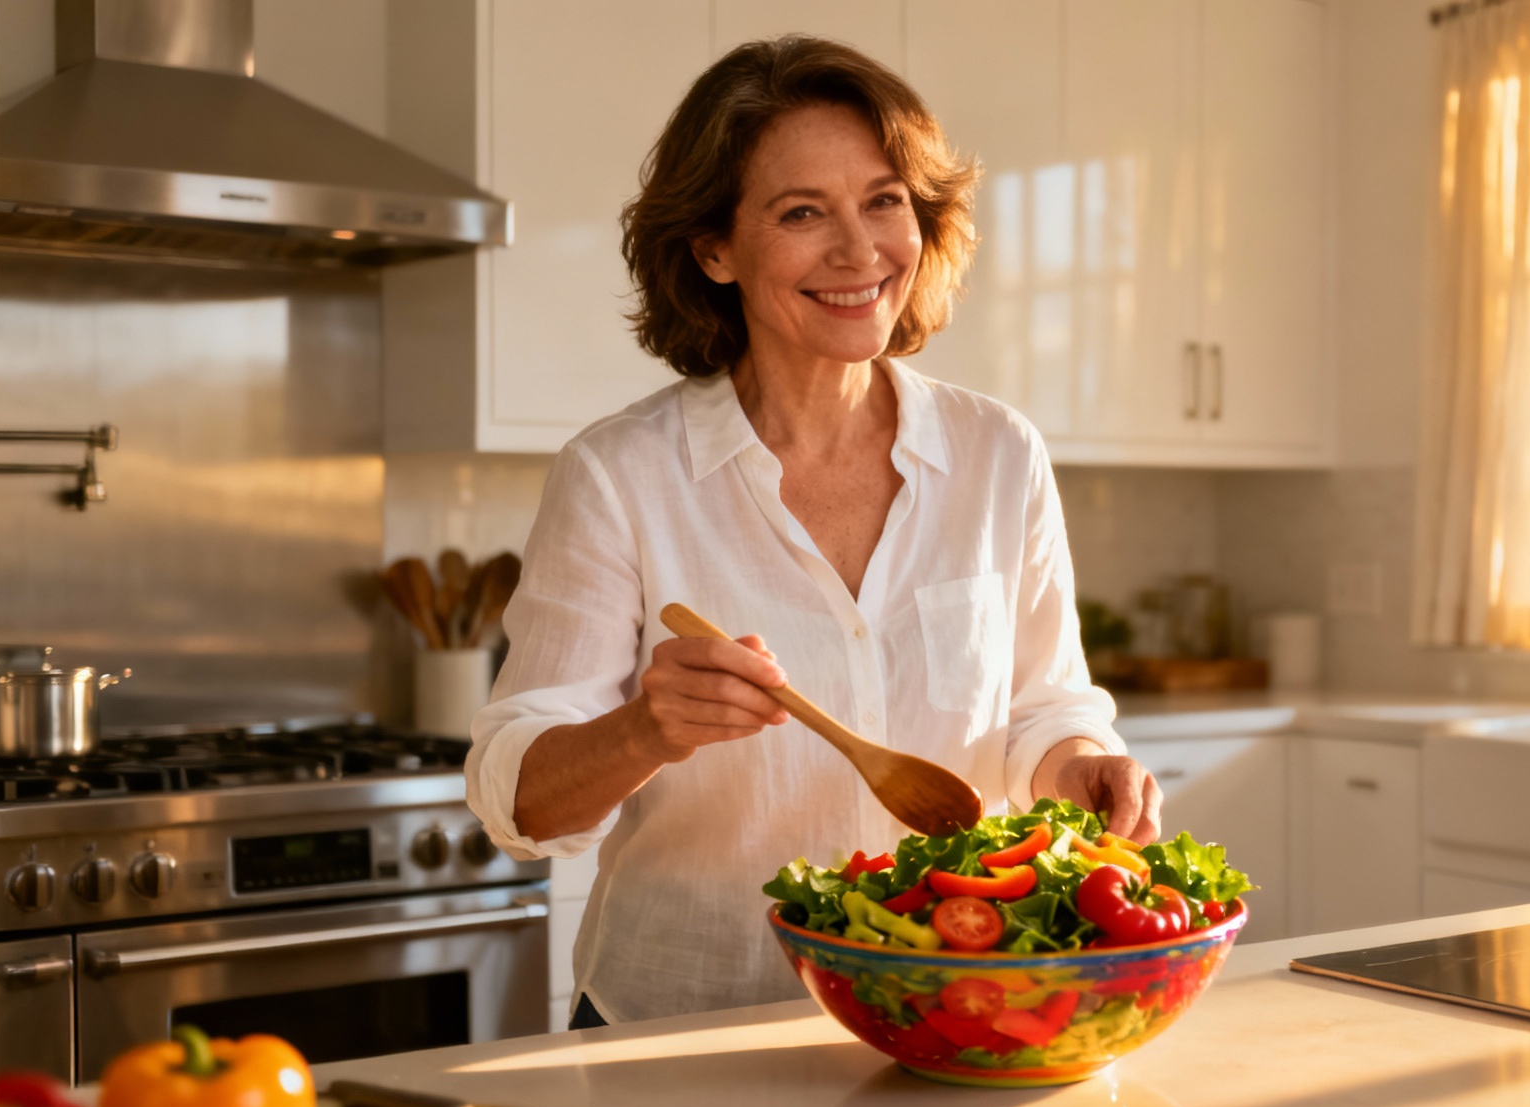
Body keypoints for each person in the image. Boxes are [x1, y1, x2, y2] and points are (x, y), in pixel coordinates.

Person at [464, 35, 1164, 1026]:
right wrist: (644, 730)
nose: (859, 251)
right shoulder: (619, 475)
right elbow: (521, 805)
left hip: (945, 1011)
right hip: (682, 1028)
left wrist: (1080, 763)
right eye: (801, 212)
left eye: (884, 201)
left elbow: (1039, 711)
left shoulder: (997, 455)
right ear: (714, 249)